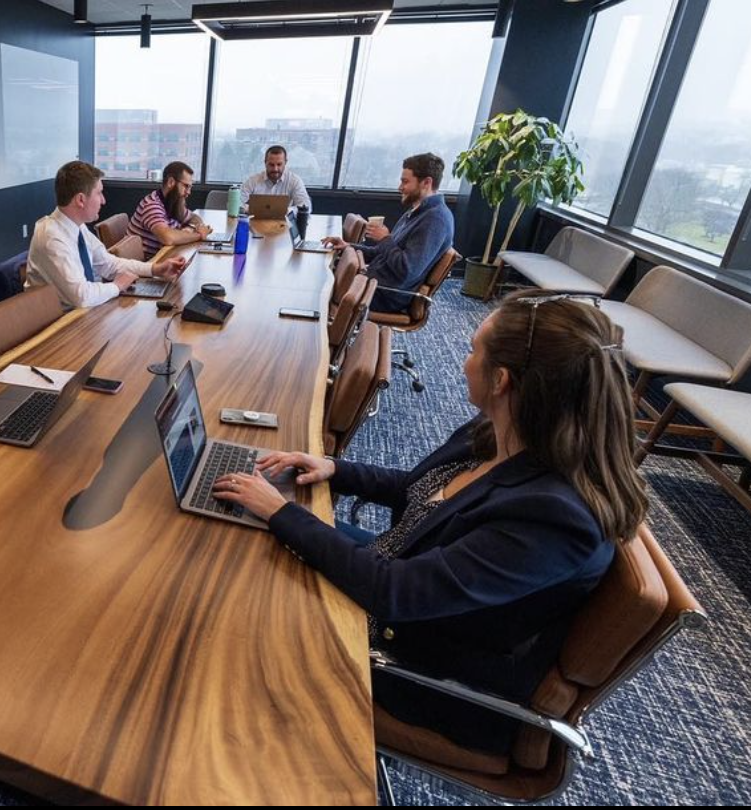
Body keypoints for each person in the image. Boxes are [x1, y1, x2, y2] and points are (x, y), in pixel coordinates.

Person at [211, 291, 648, 755]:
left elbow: (394, 594)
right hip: (400, 572)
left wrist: (281, 511)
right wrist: (335, 469)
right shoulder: (508, 434)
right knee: (240, 545)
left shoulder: (555, 518)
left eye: (472, 350)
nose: (464, 363)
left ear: (501, 380)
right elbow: (426, 490)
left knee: (230, 612)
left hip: (418, 666)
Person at [26, 160, 188, 310]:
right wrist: (116, 286)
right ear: (81, 200)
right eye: (99, 193)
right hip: (58, 325)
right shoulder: (52, 237)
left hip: (81, 314)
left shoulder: (77, 227)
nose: (103, 201)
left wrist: (155, 269)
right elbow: (81, 296)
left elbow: (108, 264)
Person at [322, 153, 454, 313]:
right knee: (323, 277)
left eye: (405, 182)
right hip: (374, 283)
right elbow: (380, 253)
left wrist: (385, 238)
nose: (400, 187)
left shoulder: (435, 219)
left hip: (385, 295)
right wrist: (347, 246)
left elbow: (407, 270)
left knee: (321, 285)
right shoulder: (416, 212)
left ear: (426, 182)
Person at [127, 160, 212, 260]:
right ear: (171, 182)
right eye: (186, 186)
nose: (188, 192)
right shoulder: (151, 205)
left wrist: (199, 226)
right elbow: (167, 238)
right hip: (148, 265)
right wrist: (199, 235)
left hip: (165, 257)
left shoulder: (172, 203)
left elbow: (193, 217)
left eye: (190, 187)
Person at [239, 145, 311, 214]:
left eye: (279, 164)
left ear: (285, 163)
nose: (275, 169)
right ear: (265, 163)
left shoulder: (295, 181)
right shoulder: (253, 180)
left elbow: (306, 206)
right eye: (271, 165)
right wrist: (251, 208)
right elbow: (237, 202)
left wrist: (287, 210)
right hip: (256, 223)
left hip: (284, 224)